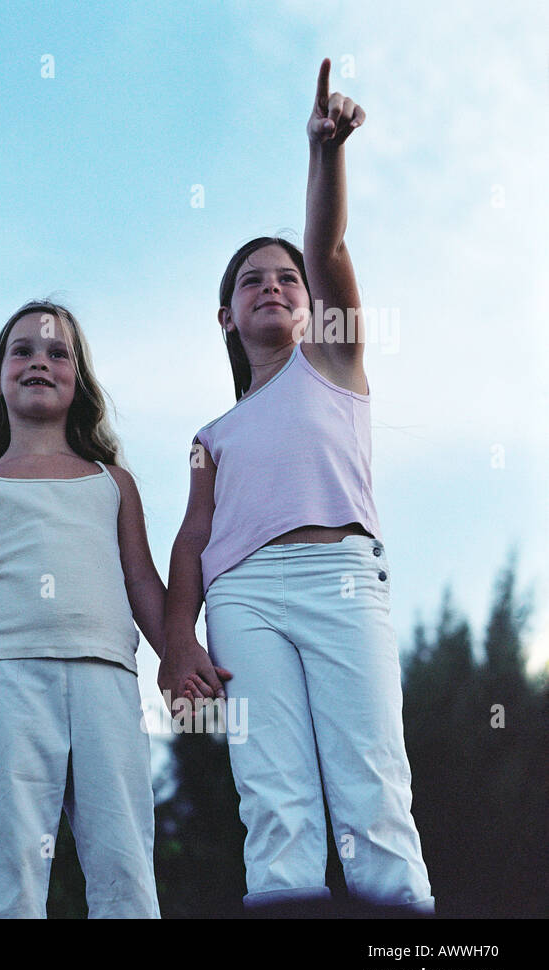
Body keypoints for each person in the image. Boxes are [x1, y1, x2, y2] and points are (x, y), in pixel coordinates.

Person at [160, 60, 433, 913]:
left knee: (371, 784)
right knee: (275, 800)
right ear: (226, 317)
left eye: (286, 279)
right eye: (252, 282)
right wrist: (177, 646)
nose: (273, 286)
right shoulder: (212, 436)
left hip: (345, 583)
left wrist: (325, 154)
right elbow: (192, 541)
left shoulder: (335, 364)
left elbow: (330, 248)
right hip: (243, 602)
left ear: (314, 306)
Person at [0, 301, 189, 917]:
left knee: (123, 862)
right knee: (11, 863)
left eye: (58, 352)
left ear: (79, 381)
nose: (40, 361)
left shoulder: (113, 482)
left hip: (108, 679)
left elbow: (141, 578)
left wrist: (179, 659)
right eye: (23, 351)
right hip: (11, 680)